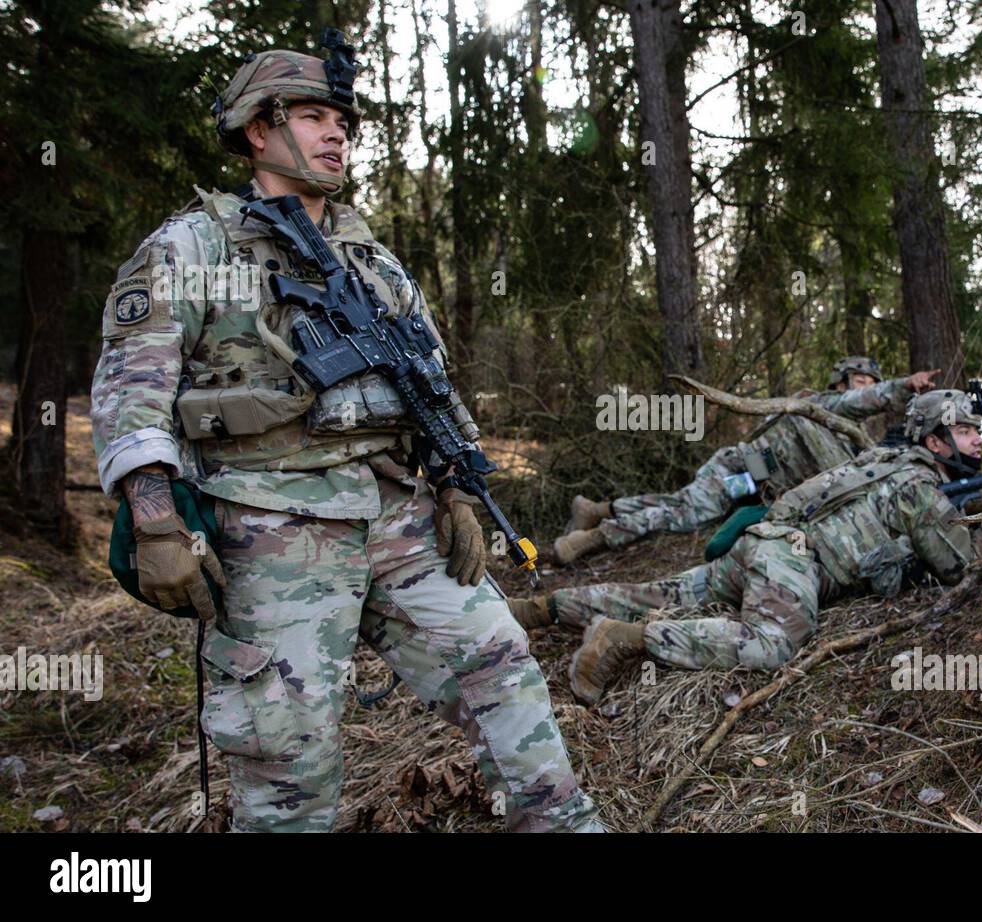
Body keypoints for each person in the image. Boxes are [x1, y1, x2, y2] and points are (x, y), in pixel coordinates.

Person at [89, 36, 601, 832]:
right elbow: (131, 393)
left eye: (345, 123)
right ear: (258, 130)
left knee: (500, 665)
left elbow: (431, 381)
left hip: (395, 518)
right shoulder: (193, 247)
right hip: (269, 527)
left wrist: (459, 487)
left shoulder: (374, 263)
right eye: (314, 116)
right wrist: (155, 518)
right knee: (288, 759)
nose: (338, 135)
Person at [509, 389, 982, 705]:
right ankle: (624, 638)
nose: (978, 441)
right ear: (936, 441)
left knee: (663, 590)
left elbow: (941, 526)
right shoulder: (917, 486)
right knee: (771, 645)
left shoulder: (885, 464)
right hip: (791, 563)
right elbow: (960, 564)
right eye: (966, 432)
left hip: (763, 544)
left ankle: (537, 609)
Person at [552, 357, 941, 565]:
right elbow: (861, 403)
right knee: (687, 513)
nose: (867, 389)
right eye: (861, 381)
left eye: (874, 382)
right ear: (841, 383)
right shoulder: (822, 403)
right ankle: (594, 538)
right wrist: (902, 386)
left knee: (680, 505)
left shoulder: (854, 440)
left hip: (755, 489)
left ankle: (596, 509)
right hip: (741, 468)